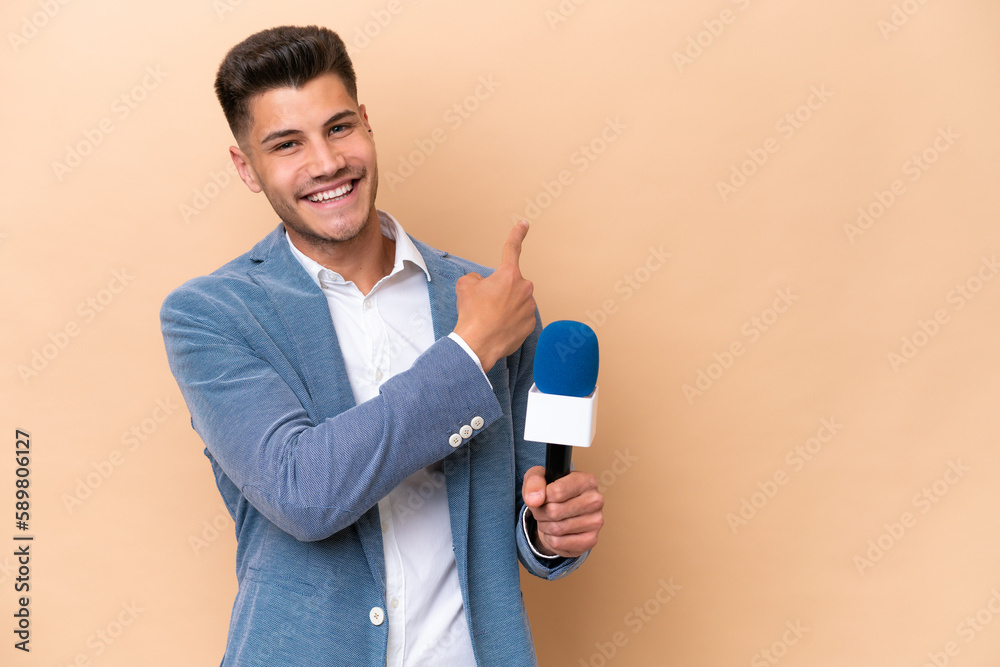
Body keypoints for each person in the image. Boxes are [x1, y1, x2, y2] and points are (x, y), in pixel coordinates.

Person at [161, 25, 604, 667]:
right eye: (286, 144)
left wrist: (551, 533)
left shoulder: (488, 303)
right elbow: (304, 492)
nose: (325, 163)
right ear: (246, 168)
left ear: (366, 124)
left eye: (339, 128)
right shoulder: (212, 316)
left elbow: (525, 512)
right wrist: (467, 350)